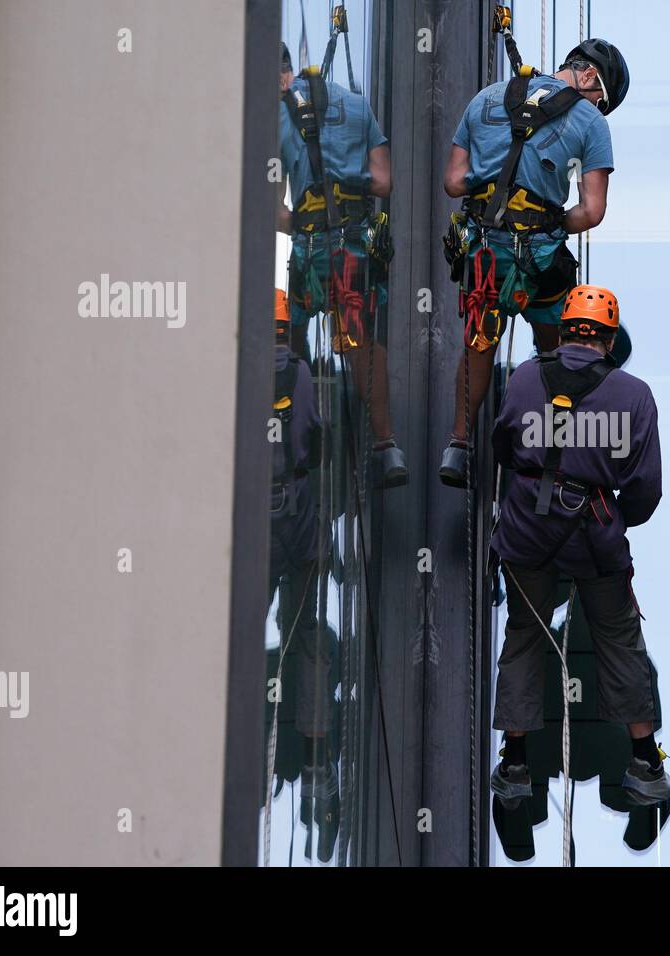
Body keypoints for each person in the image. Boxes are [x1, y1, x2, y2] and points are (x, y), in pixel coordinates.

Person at [487, 284, 670, 807]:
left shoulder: (525, 378)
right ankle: (644, 762)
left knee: (524, 636)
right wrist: (618, 517)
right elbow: (644, 490)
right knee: (618, 639)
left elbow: (503, 444)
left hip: (526, 531)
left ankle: (516, 764)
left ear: (566, 330)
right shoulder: (633, 396)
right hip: (595, 535)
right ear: (608, 339)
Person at [438, 39, 630, 487]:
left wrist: (494, 194)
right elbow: (592, 211)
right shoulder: (589, 123)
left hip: (483, 255)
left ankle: (458, 444)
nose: (597, 108)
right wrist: (550, 219)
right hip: (538, 259)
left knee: (479, 345)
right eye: (600, 99)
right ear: (588, 77)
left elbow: (452, 183)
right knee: (559, 349)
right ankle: (552, 444)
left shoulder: (487, 96)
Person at [278, 41, 406, 487]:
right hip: (352, 247)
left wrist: (303, 220)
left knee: (292, 337)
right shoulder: (356, 106)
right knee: (361, 344)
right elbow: (384, 182)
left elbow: (271, 208)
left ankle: (295, 429)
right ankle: (387, 446)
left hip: (310, 249)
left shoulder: (277, 117)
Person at [266, 289, 338, 853]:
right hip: (300, 517)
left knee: (241, 637)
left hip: (255, 527)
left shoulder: (232, 377)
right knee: (307, 635)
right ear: (290, 331)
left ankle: (240, 746)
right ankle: (317, 764)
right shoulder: (302, 377)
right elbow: (315, 443)